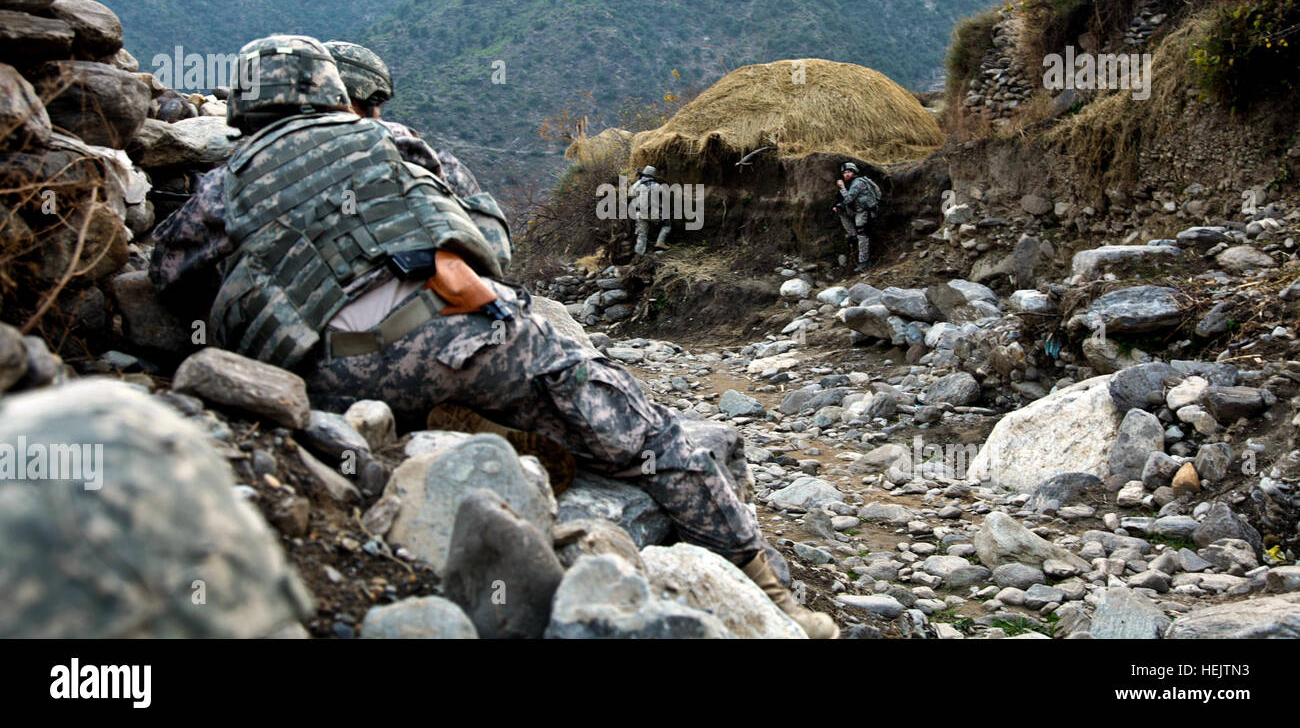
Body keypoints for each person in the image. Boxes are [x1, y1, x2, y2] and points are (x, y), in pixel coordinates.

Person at [149, 34, 837, 638]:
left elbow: (169, 276)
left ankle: (449, 426)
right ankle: (767, 589)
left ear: (244, 107)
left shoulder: (220, 188)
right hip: (450, 331)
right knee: (645, 433)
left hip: (331, 372)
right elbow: (479, 241)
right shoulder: (383, 140)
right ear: (332, 91)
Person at [322, 40, 482, 199]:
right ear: (357, 101)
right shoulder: (391, 142)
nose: (379, 117)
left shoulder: (303, 152)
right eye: (378, 106)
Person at [834, 161, 881, 272]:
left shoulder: (858, 182)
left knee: (862, 235)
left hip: (865, 212)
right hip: (859, 211)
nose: (846, 174)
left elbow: (849, 199)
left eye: (849, 172)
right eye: (845, 172)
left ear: (854, 172)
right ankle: (852, 234)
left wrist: (842, 188)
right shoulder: (855, 182)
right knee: (841, 212)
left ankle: (864, 261)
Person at [629, 165, 671, 254]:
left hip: (640, 214)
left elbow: (631, 194)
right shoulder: (657, 185)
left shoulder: (638, 184)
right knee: (667, 224)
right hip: (654, 215)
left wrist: (639, 182)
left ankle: (639, 255)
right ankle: (660, 241)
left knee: (641, 236)